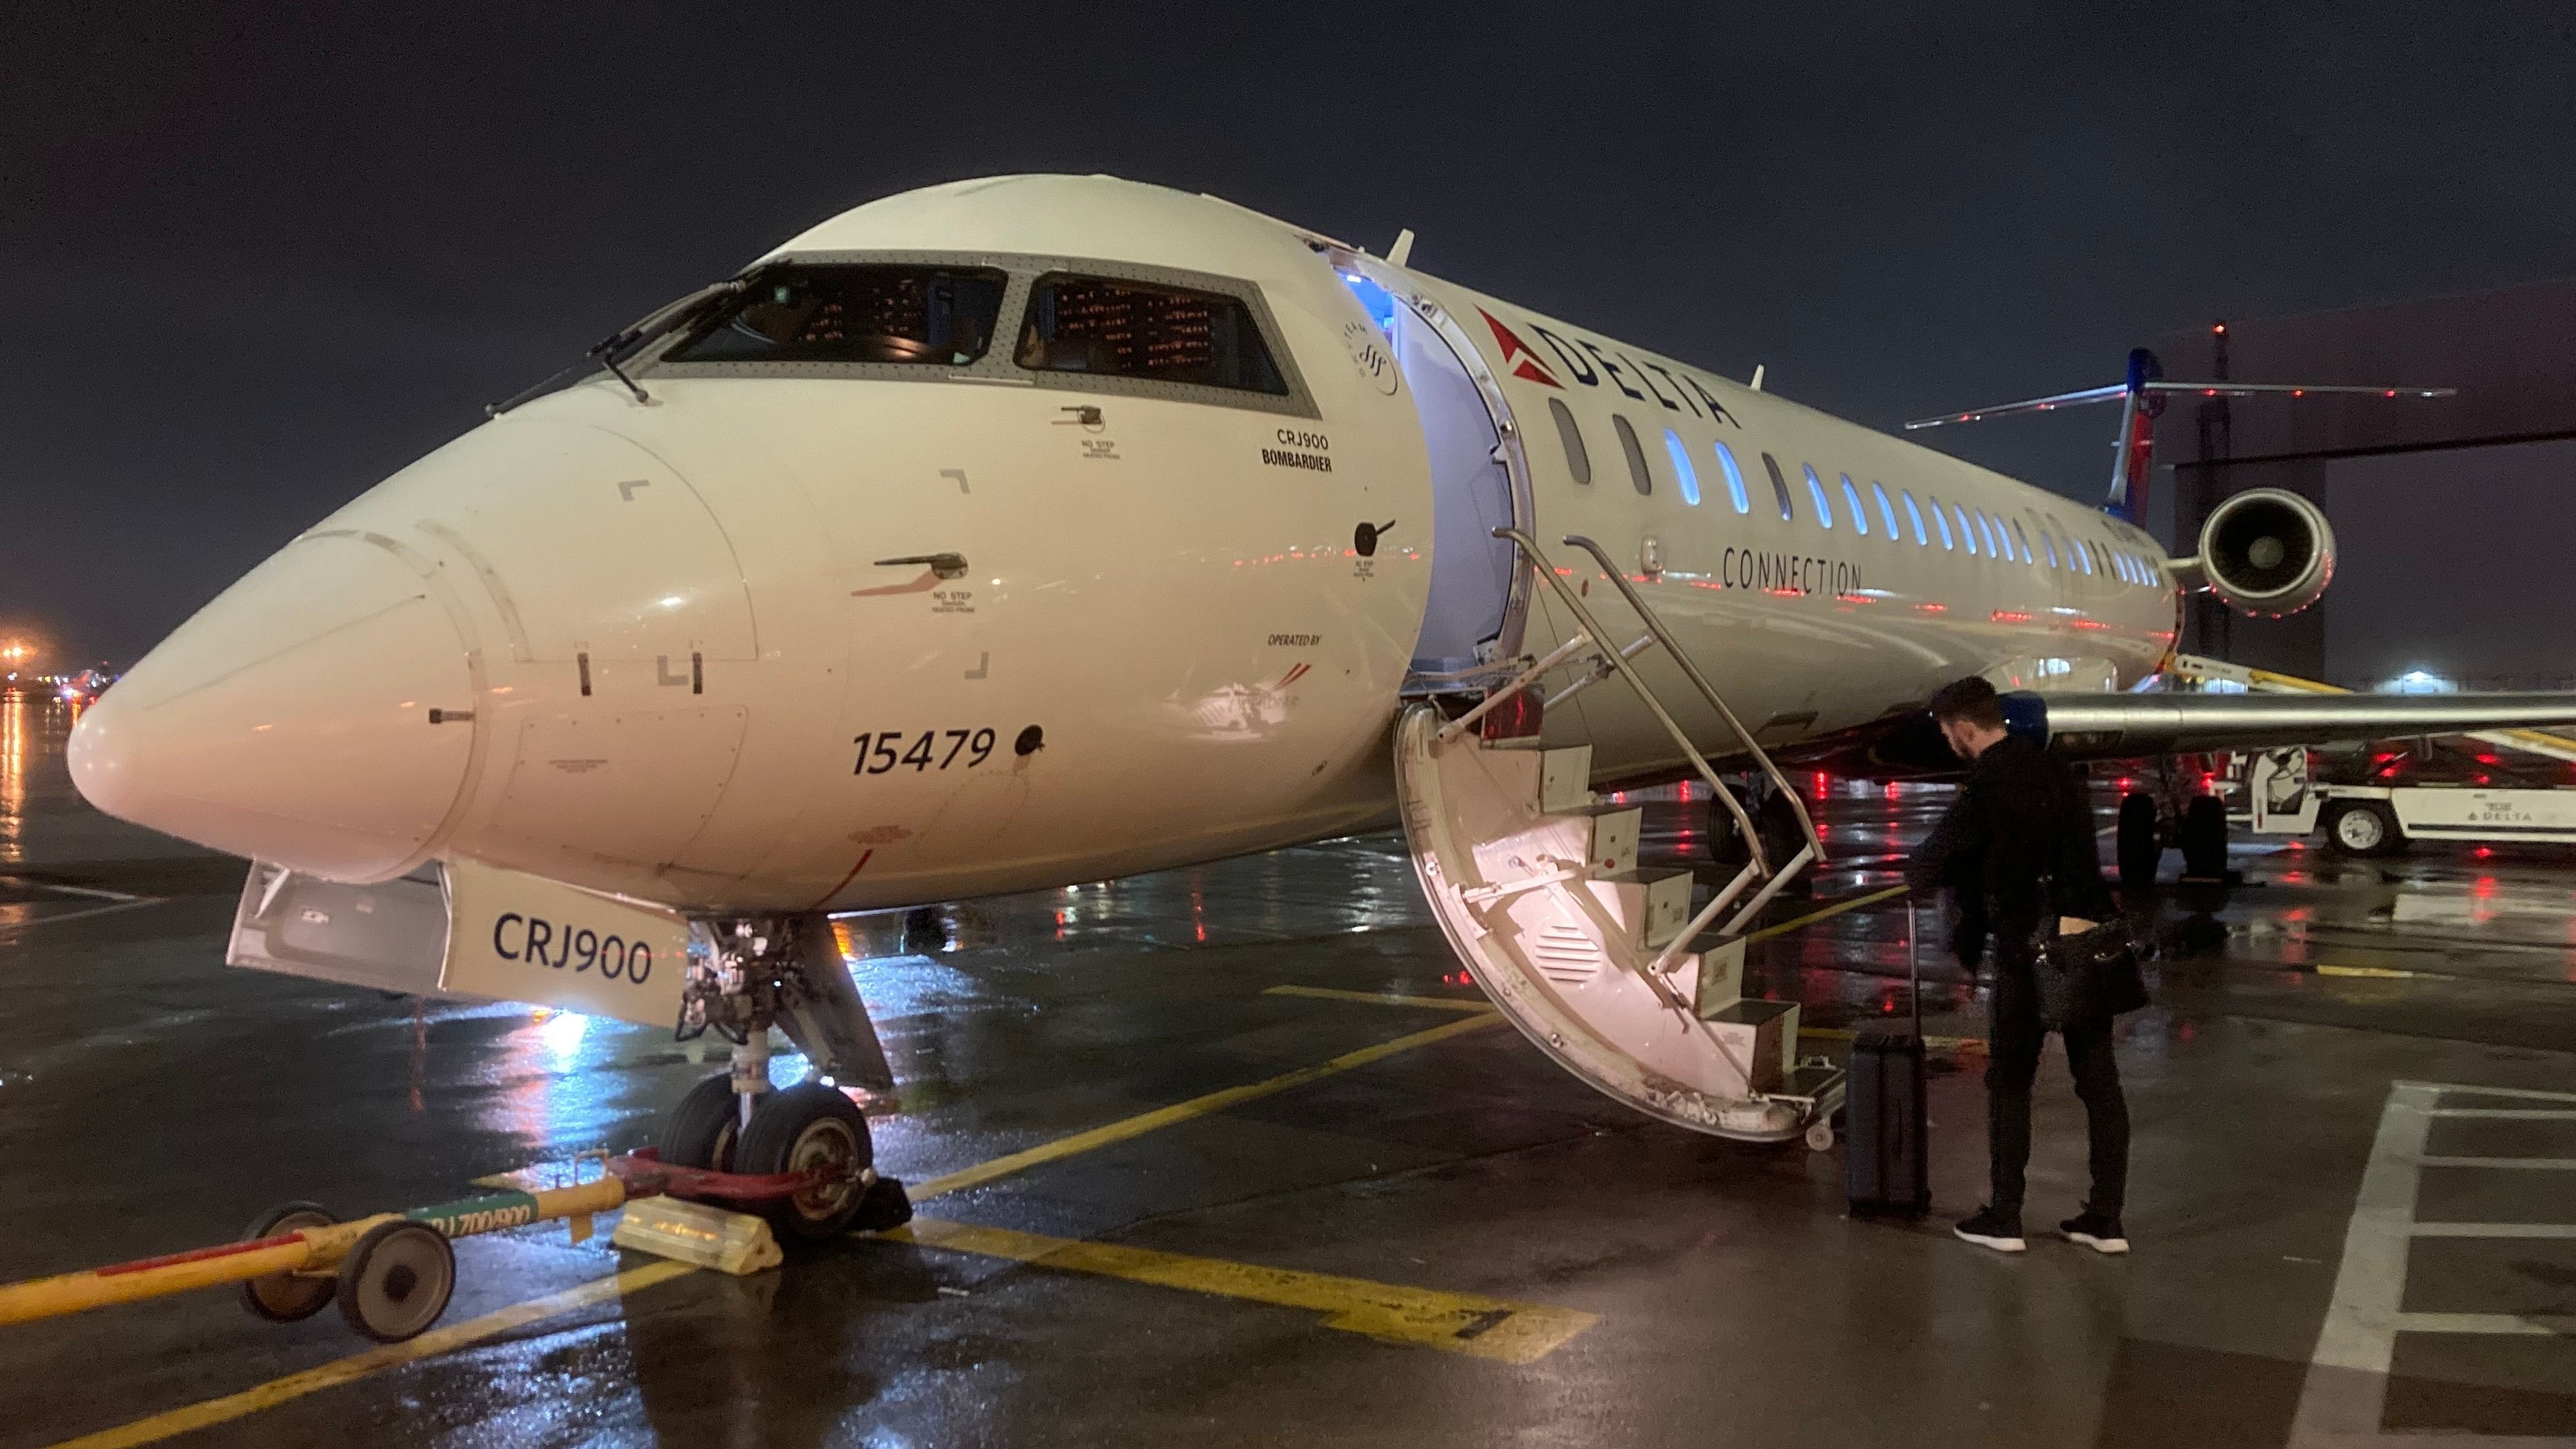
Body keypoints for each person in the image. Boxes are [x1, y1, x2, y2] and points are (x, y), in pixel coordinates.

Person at [1904, 676, 2131, 1255]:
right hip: (2086, 937)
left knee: (2010, 1082)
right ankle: (2105, 1220)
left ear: (1963, 730)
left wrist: (1919, 880)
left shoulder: (1988, 785)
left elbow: (1937, 856)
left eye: (1949, 733)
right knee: (2099, 1083)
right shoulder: (2058, 768)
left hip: (2027, 951)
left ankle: (2004, 1217)